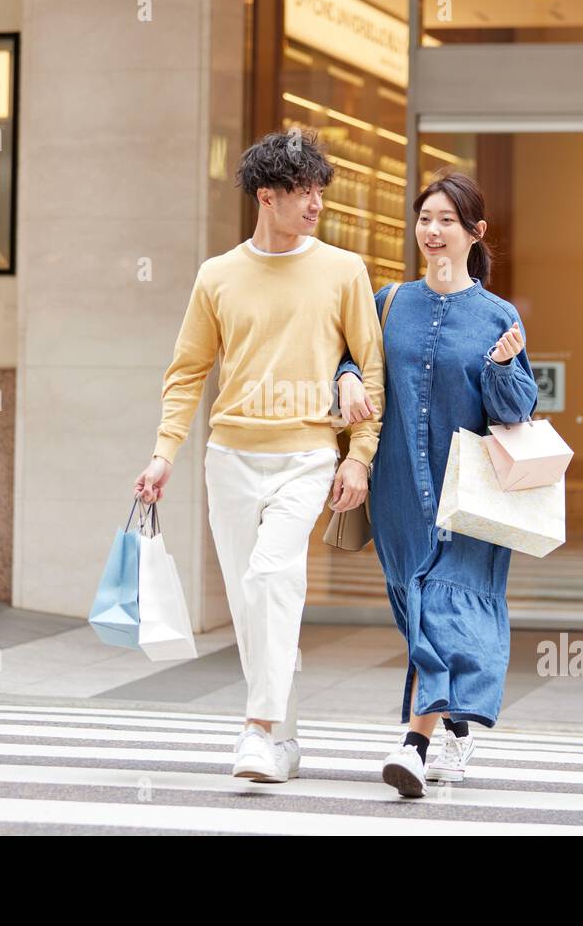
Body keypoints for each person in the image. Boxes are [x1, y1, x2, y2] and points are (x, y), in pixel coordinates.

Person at [133, 129, 385, 783]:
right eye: (303, 191)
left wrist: (357, 456)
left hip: (306, 455)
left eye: (320, 191)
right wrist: (165, 453)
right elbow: (187, 371)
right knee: (254, 606)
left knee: (273, 578)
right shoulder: (217, 276)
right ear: (265, 197)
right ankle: (287, 739)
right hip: (230, 459)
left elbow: (372, 368)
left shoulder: (343, 271)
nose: (316, 203)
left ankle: (256, 729)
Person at [336, 171, 538, 798]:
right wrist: (345, 377)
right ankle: (456, 725)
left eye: (447, 220)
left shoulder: (498, 317)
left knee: (442, 604)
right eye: (425, 218)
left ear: (475, 234)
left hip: (467, 495)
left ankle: (414, 745)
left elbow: (516, 413)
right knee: (413, 602)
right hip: (399, 487)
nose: (433, 230)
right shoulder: (389, 301)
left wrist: (503, 367)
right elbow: (355, 359)